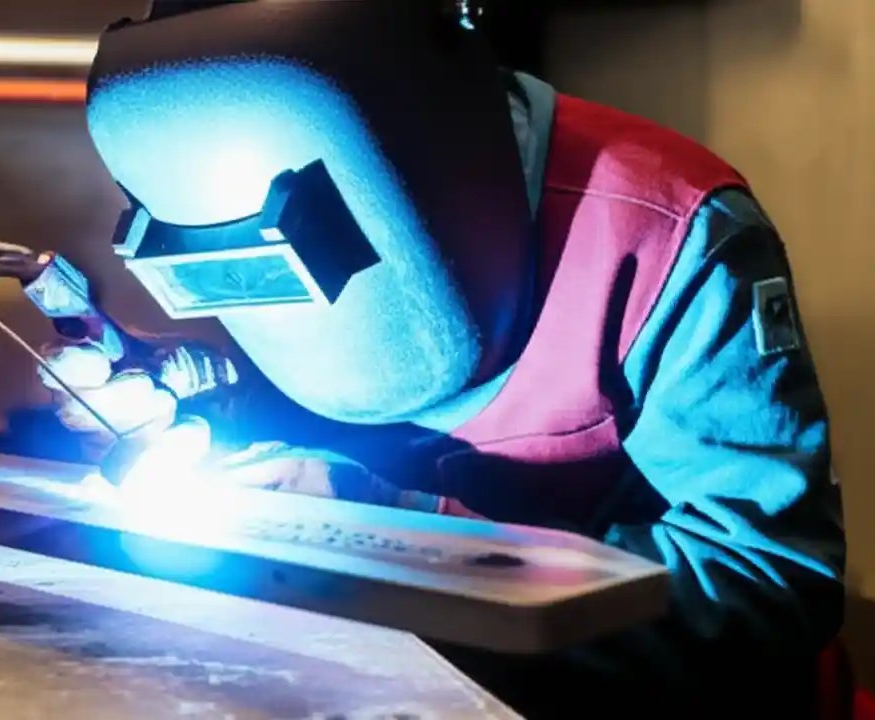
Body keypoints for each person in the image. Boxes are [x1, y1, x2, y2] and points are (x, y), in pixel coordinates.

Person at [41, 1, 846, 715]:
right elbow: (331, 393)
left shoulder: (673, 230)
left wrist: (405, 536)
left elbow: (766, 588)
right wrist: (199, 400)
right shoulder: (258, 150)